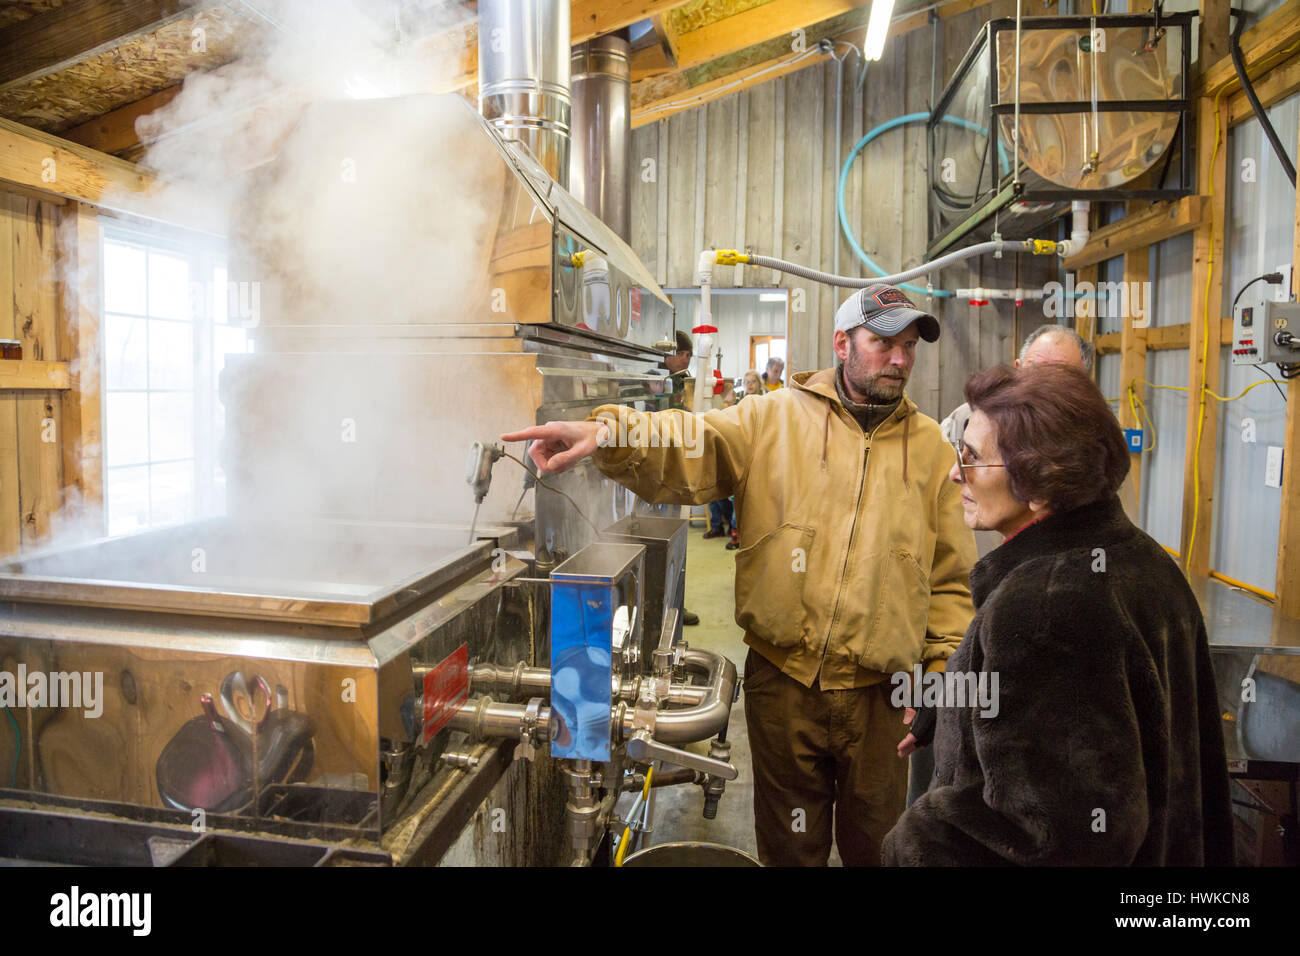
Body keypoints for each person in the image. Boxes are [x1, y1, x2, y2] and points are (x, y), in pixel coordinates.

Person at [502, 283, 977, 866]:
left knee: (879, 849)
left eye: (908, 346)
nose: (900, 359)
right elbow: (691, 440)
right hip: (784, 685)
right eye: (883, 342)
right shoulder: (773, 419)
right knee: (789, 848)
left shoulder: (931, 450)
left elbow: (952, 580)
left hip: (882, 698)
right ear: (842, 342)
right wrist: (608, 432)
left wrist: (938, 675)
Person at [882, 364, 1234, 865]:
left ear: (1041, 484)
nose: (955, 473)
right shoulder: (1145, 561)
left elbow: (1058, 837)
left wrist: (914, 843)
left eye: (973, 459)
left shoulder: (1044, 607)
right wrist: (954, 702)